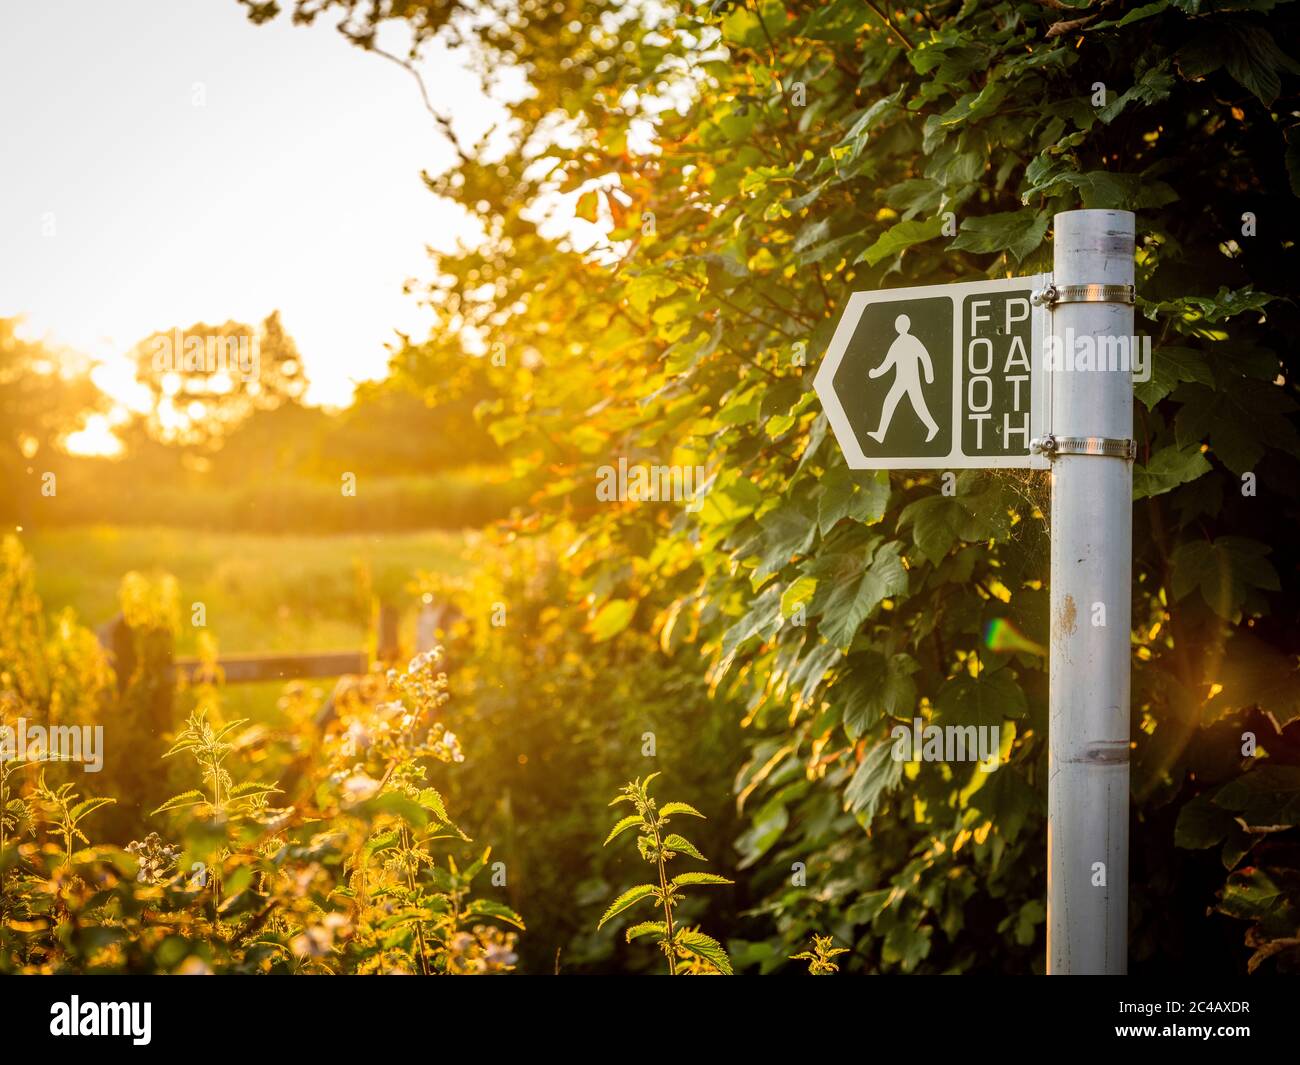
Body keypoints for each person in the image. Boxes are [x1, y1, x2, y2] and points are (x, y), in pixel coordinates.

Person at [867, 314, 939, 443]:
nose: (899, 326)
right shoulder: (897, 343)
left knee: (919, 406)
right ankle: (881, 434)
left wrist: (929, 375)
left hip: (912, 380)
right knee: (889, 402)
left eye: (900, 324)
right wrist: (875, 373)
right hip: (900, 381)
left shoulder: (912, 340)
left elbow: (924, 356)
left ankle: (933, 427)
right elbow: (887, 363)